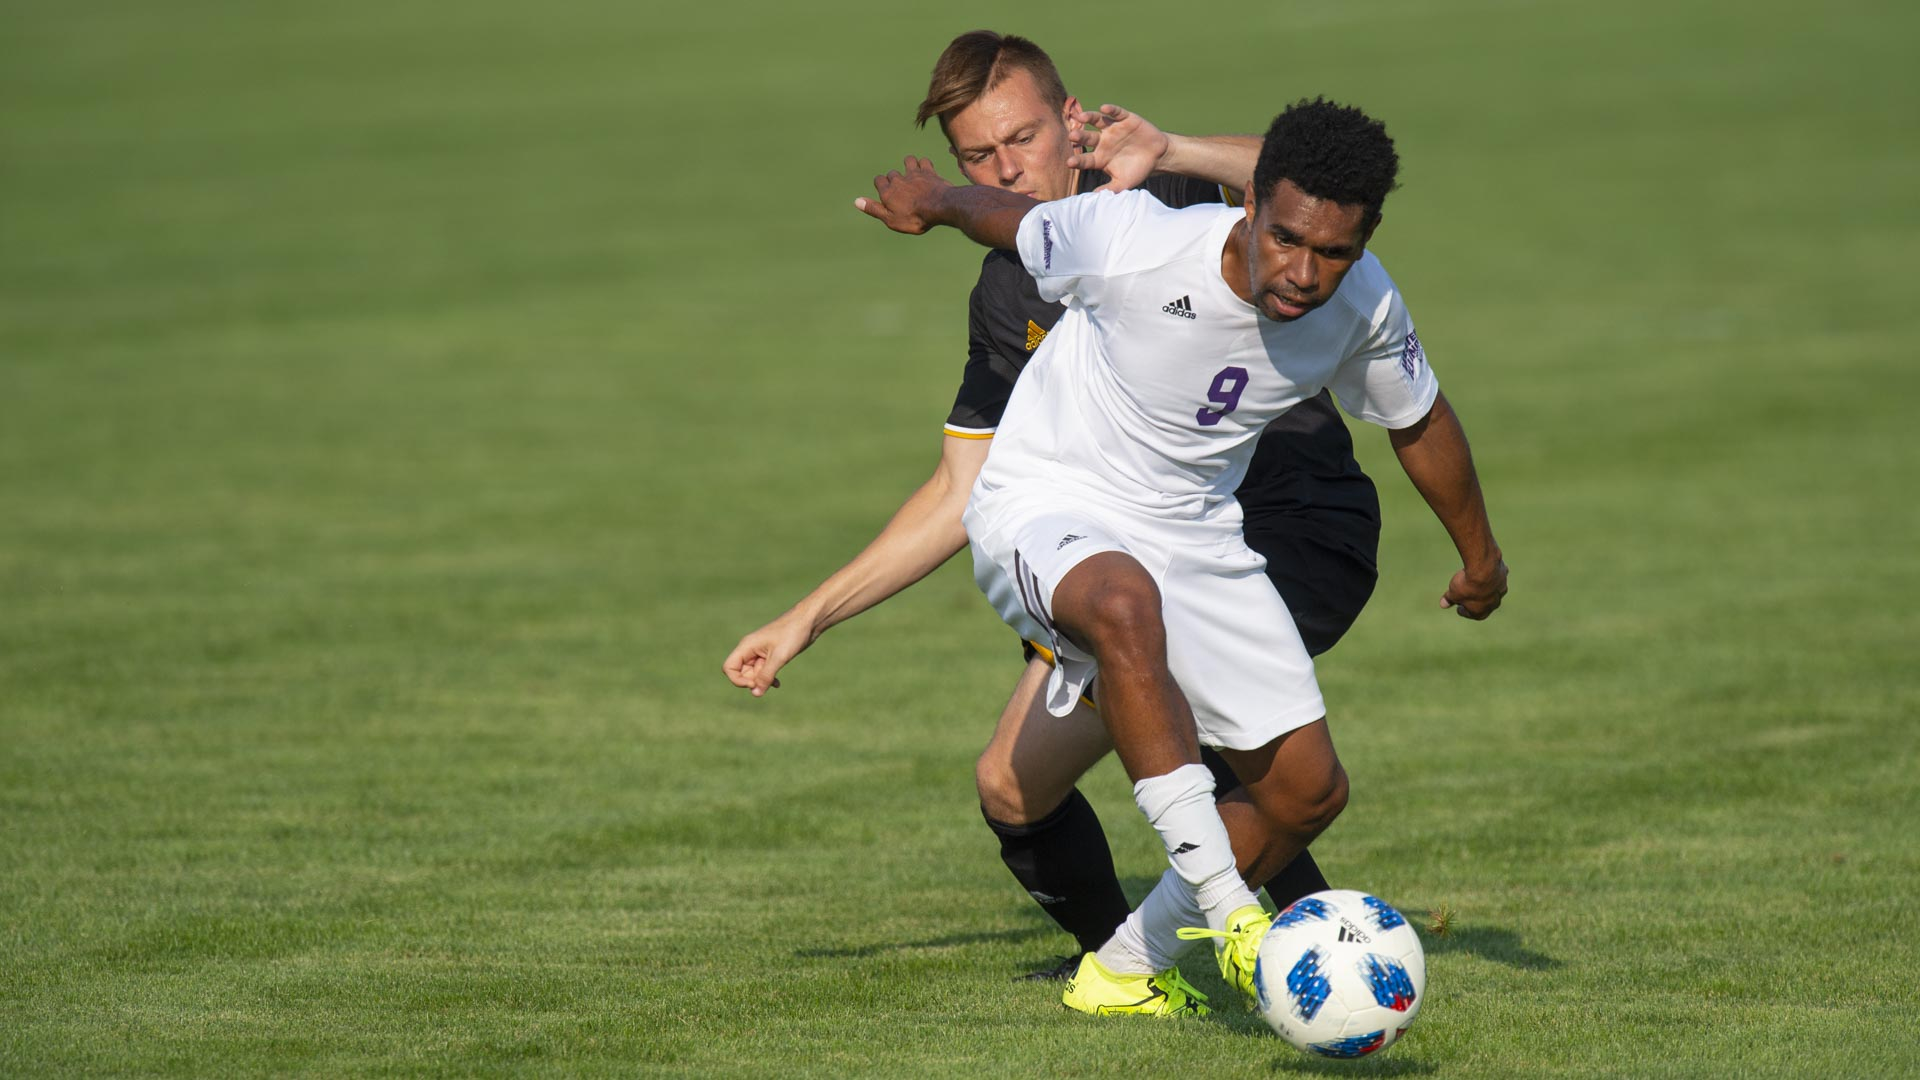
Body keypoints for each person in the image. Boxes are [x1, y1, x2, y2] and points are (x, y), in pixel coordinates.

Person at [723, 32, 1381, 995]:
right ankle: (1139, 972)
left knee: (1187, 709)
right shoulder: (1007, 293)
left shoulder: (1162, 194)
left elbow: (1311, 187)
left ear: (1073, 122)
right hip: (1131, 552)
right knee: (1012, 782)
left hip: (1290, 525)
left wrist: (1174, 145)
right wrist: (805, 619)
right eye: (977, 156)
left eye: (1023, 138)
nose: (1006, 169)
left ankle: (1300, 953)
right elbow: (959, 491)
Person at [851, 97, 1508, 1016]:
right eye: (1286, 239)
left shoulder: (1364, 303)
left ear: (1365, 241)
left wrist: (1482, 558)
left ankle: (1123, 969)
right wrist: (934, 200)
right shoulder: (1137, 241)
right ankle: (1234, 915)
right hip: (1047, 498)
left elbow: (1419, 419)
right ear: (1251, 204)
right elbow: (1007, 218)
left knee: (1307, 794)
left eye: (1334, 252)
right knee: (1123, 605)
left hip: (1194, 530)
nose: (1303, 273)